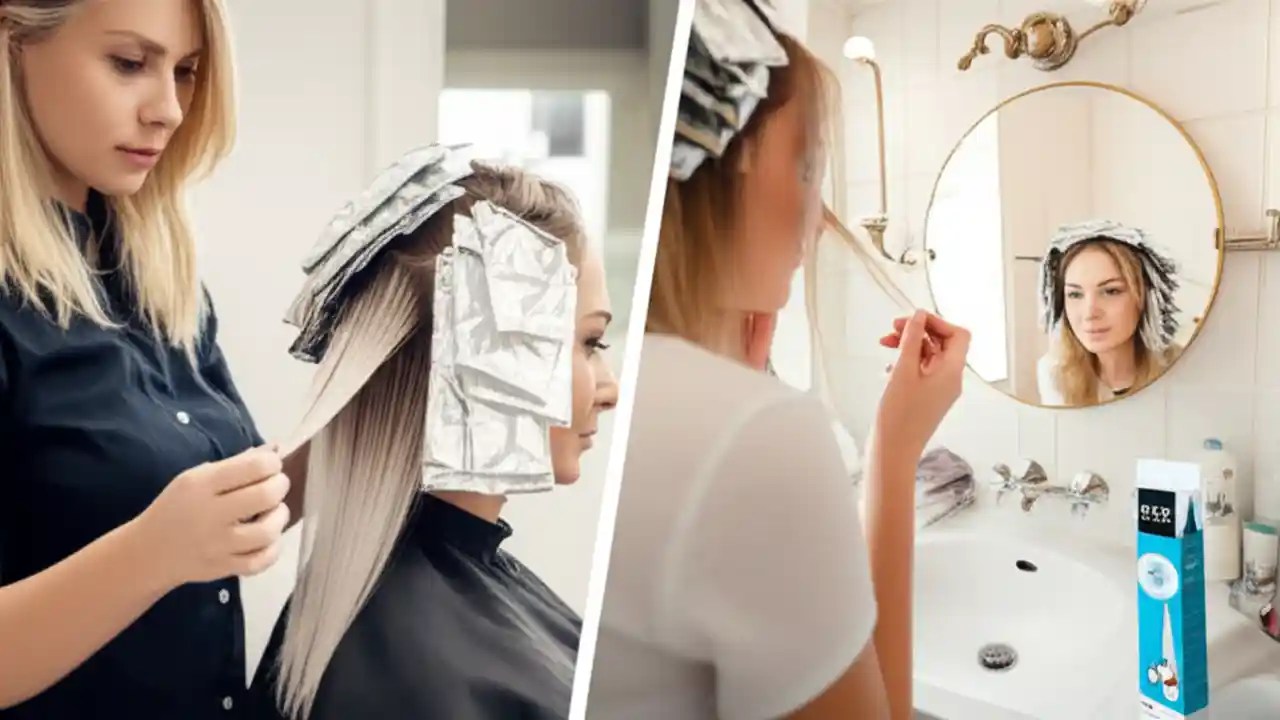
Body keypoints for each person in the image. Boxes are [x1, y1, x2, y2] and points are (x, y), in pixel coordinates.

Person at [585, 2, 969, 719]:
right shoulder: (746, 437)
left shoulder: (659, 394)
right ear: (721, 162)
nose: (820, 214)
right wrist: (895, 447)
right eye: (805, 165)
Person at [0, 1, 298, 717]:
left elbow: (230, 510)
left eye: (187, 72)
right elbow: (173, 536)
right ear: (13, 46)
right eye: (130, 63)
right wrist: (153, 553)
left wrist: (384, 410)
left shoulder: (162, 279)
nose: (168, 109)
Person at [247, 153, 619, 720]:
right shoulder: (414, 676)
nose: (609, 389)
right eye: (590, 343)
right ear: (495, 357)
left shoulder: (412, 605)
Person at [1036, 220, 1181, 406]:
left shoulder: (1182, 367)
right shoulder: (1053, 374)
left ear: (1146, 297)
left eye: (1111, 291)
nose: (1090, 313)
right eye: (1075, 294)